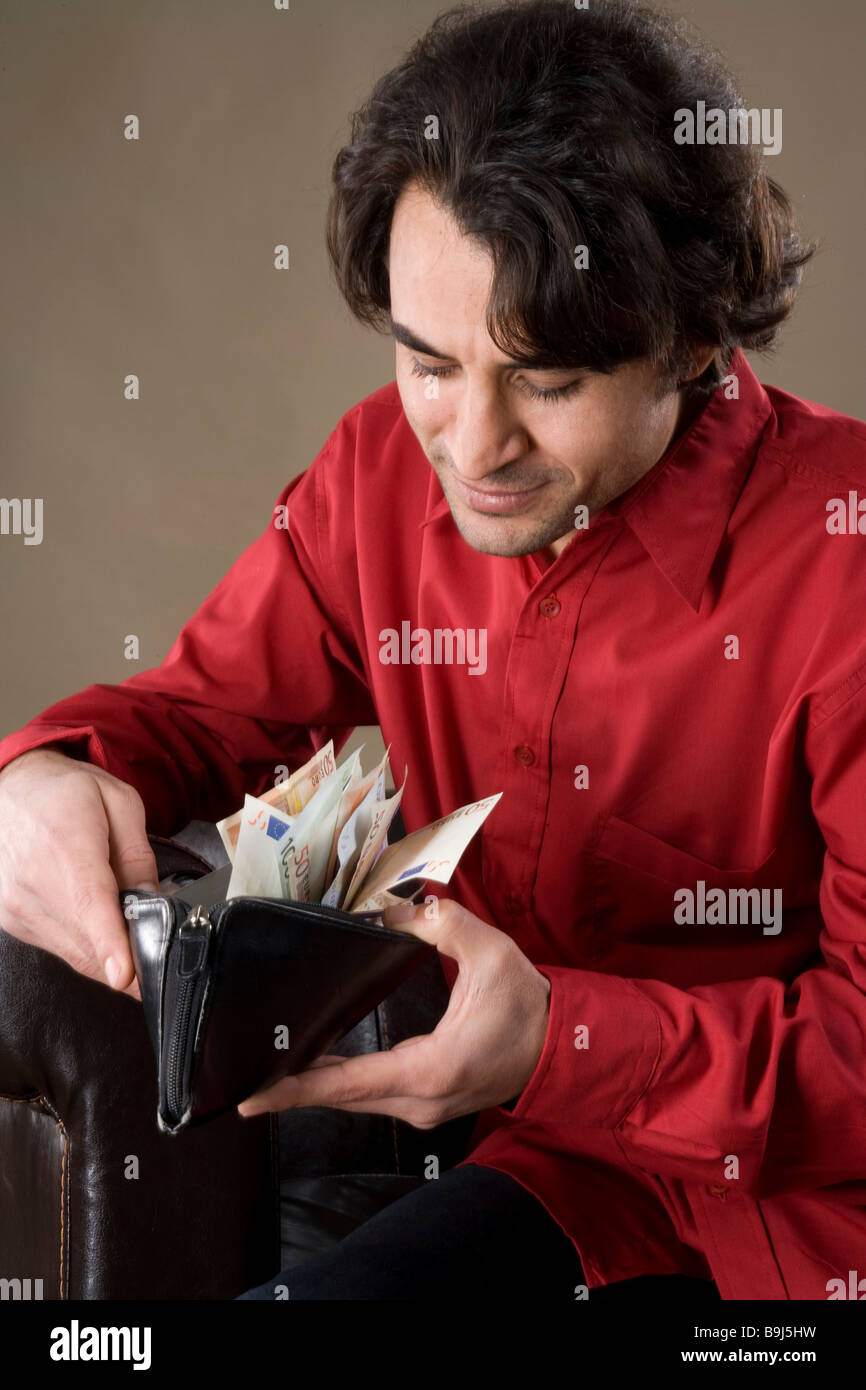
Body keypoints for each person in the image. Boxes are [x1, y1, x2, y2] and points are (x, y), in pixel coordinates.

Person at [0, 0, 861, 1302]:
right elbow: (192, 712)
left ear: (693, 339)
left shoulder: (843, 558)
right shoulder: (376, 481)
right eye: (427, 361)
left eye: (548, 380)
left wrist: (557, 1043)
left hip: (800, 1228)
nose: (470, 446)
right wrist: (49, 774)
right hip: (544, 1170)